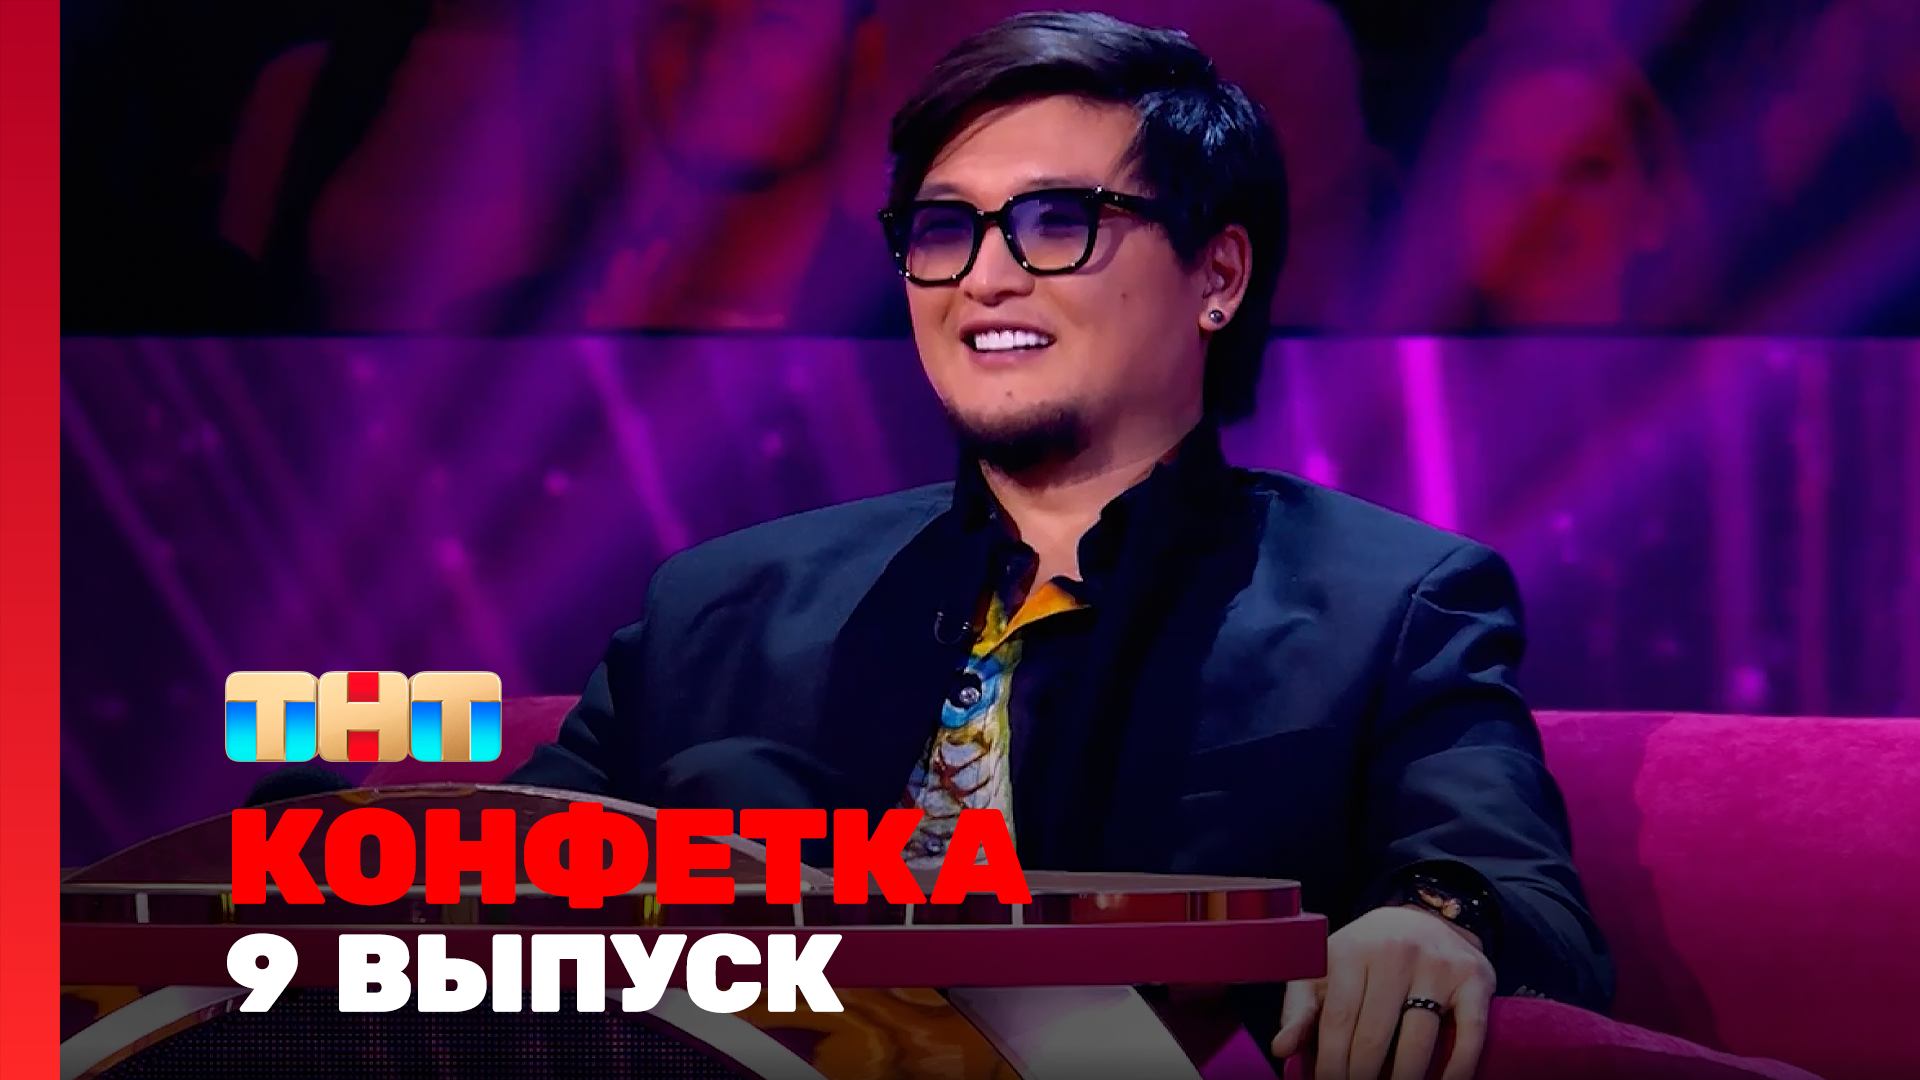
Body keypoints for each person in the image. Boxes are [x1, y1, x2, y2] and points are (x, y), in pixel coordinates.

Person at [513, 11, 1613, 1078]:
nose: (985, 277)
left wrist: (1431, 921)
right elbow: (485, 893)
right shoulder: (722, 604)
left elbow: (1514, 894)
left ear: (1218, 276)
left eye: (1056, 222)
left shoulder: (1392, 604)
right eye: (944, 230)